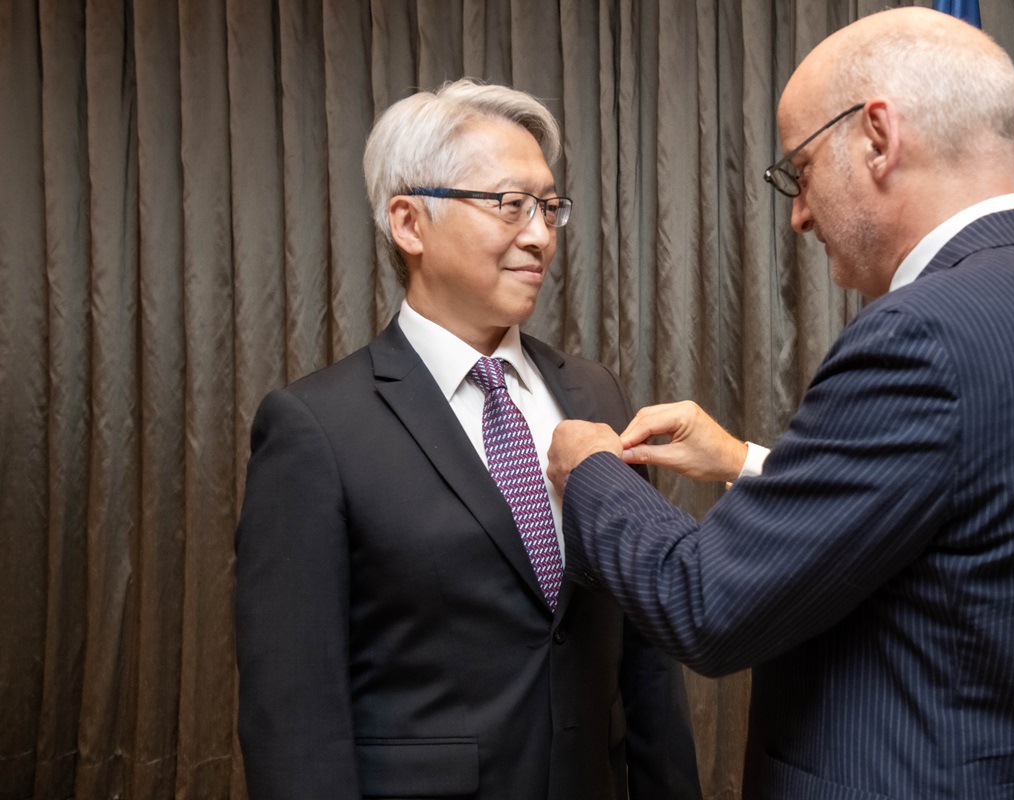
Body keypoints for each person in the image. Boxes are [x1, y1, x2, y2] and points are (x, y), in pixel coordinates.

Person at [547, 8, 1014, 799]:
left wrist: (592, 470)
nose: (799, 214)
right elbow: (971, 522)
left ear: (877, 136)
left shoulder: (922, 334)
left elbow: (704, 601)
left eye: (799, 172)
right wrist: (745, 462)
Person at [235, 79, 702, 800]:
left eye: (549, 207)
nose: (541, 235)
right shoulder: (316, 429)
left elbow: (643, 657)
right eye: (510, 205)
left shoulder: (594, 394)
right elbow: (294, 711)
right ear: (409, 223)